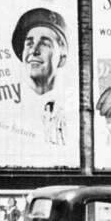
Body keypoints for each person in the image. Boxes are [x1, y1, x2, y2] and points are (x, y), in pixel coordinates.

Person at [12, 8, 72, 146]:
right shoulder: (11, 104)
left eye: (45, 44)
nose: (34, 50)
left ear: (62, 56)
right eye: (29, 44)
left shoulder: (71, 102)